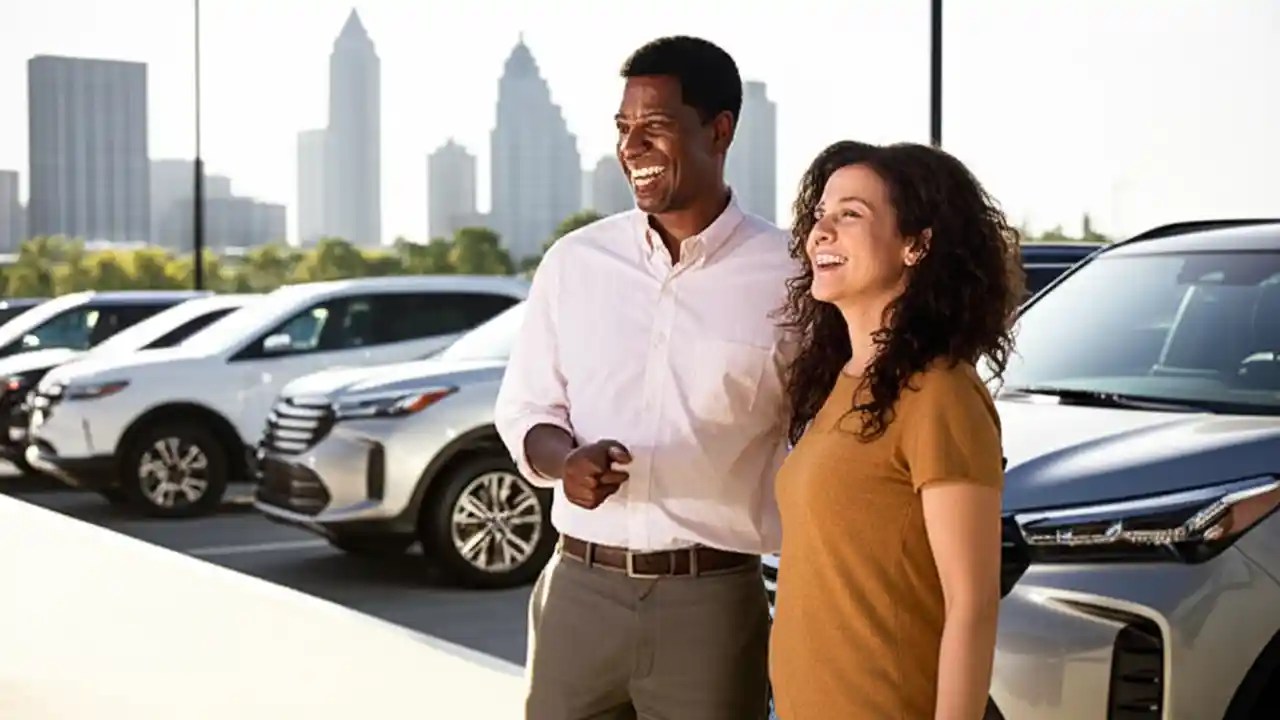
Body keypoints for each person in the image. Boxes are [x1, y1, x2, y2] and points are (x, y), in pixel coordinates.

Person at [494, 35, 796, 720]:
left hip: (712, 603)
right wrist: (562, 461)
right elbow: (528, 409)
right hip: (577, 591)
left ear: (719, 130)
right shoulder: (574, 263)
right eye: (624, 129)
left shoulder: (792, 276)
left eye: (654, 127)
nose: (632, 147)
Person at [767, 140, 1024, 719]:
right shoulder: (846, 381)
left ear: (916, 244)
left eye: (850, 214)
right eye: (819, 215)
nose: (820, 233)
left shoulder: (939, 393)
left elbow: (973, 603)